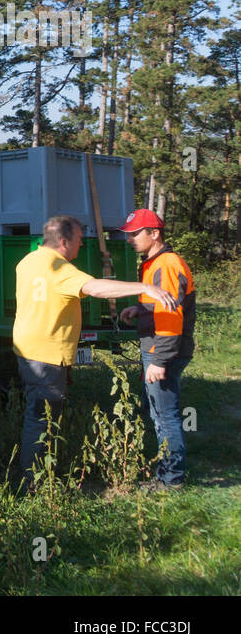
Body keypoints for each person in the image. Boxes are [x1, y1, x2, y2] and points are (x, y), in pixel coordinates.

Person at [11, 214, 177, 486]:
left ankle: (37, 474)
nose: (81, 245)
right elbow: (96, 288)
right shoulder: (59, 269)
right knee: (41, 419)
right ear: (63, 241)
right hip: (47, 355)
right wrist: (145, 287)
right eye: (78, 240)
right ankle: (33, 482)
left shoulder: (28, 261)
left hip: (27, 350)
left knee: (38, 415)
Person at [117, 209, 196, 490]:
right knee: (158, 411)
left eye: (135, 233)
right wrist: (138, 309)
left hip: (165, 350)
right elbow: (160, 305)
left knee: (165, 415)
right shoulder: (153, 263)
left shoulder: (168, 264)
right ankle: (166, 471)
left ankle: (171, 480)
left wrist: (160, 360)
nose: (130, 239)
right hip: (158, 347)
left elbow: (172, 317)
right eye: (128, 234)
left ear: (155, 233)